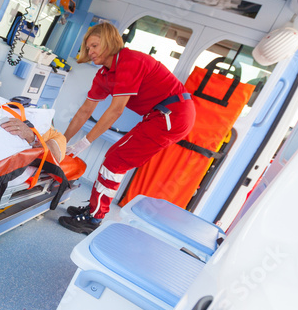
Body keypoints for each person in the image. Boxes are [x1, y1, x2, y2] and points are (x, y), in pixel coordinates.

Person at [58, 22, 195, 234]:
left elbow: (116, 110)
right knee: (115, 158)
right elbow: (85, 110)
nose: (90, 52)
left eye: (94, 46)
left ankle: (93, 219)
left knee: (116, 160)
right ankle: (95, 209)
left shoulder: (130, 61)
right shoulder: (104, 75)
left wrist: (84, 142)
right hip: (159, 115)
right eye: (87, 48)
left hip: (173, 115)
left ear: (108, 42)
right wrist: (63, 142)